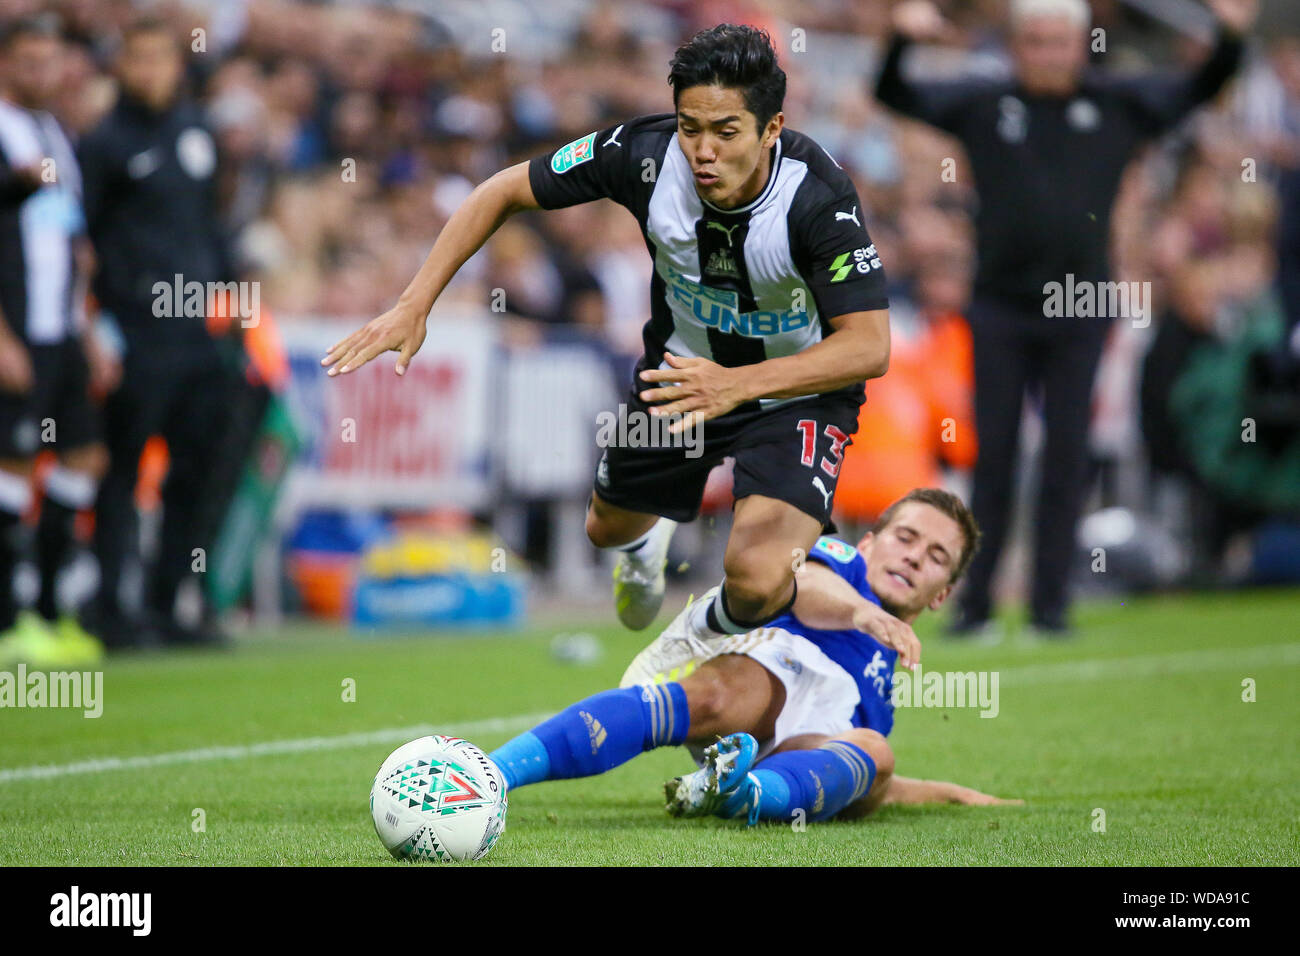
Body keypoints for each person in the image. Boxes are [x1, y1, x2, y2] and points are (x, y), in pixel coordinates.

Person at [322, 24, 892, 653]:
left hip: (795, 393)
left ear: (771, 128)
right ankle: (648, 543)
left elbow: (868, 347)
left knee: (757, 580)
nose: (702, 150)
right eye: (690, 126)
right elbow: (503, 189)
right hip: (680, 379)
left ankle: (681, 658)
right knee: (606, 528)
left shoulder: (818, 198)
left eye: (726, 132)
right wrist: (414, 303)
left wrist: (738, 385)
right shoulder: (640, 153)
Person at [875, 0, 1255, 636]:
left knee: (1066, 458)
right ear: (1017, 44)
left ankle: (1051, 607)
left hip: (1081, 309)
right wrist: (897, 39)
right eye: (1036, 41)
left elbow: (1201, 86)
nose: (1048, 53)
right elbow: (895, 91)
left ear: (1080, 44)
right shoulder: (984, 102)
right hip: (998, 307)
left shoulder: (1115, 103)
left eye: (1059, 41)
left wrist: (1231, 35)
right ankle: (977, 606)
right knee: (992, 458)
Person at [487, 488, 1021, 826]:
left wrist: (949, 794)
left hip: (794, 749)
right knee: (721, 695)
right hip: (770, 674)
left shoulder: (884, 690)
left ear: (941, 595)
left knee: (876, 751)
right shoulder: (841, 567)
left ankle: (741, 794)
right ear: (869, 543)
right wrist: (861, 612)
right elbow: (804, 585)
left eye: (936, 558)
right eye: (906, 537)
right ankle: (492, 775)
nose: (913, 556)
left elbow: (863, 781)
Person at [78, 17, 237, 648]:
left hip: (200, 334)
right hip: (138, 334)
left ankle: (171, 603)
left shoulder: (197, 132)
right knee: (121, 471)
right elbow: (81, 239)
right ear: (121, 65)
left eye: (161, 59)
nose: (150, 72)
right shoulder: (103, 143)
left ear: (179, 64)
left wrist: (233, 309)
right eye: (138, 59)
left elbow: (211, 230)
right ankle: (112, 609)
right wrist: (98, 325)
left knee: (196, 470)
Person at [0, 15, 110, 667]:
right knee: (11, 465)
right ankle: (9, 622)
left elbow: (71, 239)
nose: (45, 73)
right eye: (30, 61)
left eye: (52, 61)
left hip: (62, 327)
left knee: (84, 457)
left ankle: (47, 609)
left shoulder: (53, 134)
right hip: (19, 329)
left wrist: (91, 329)